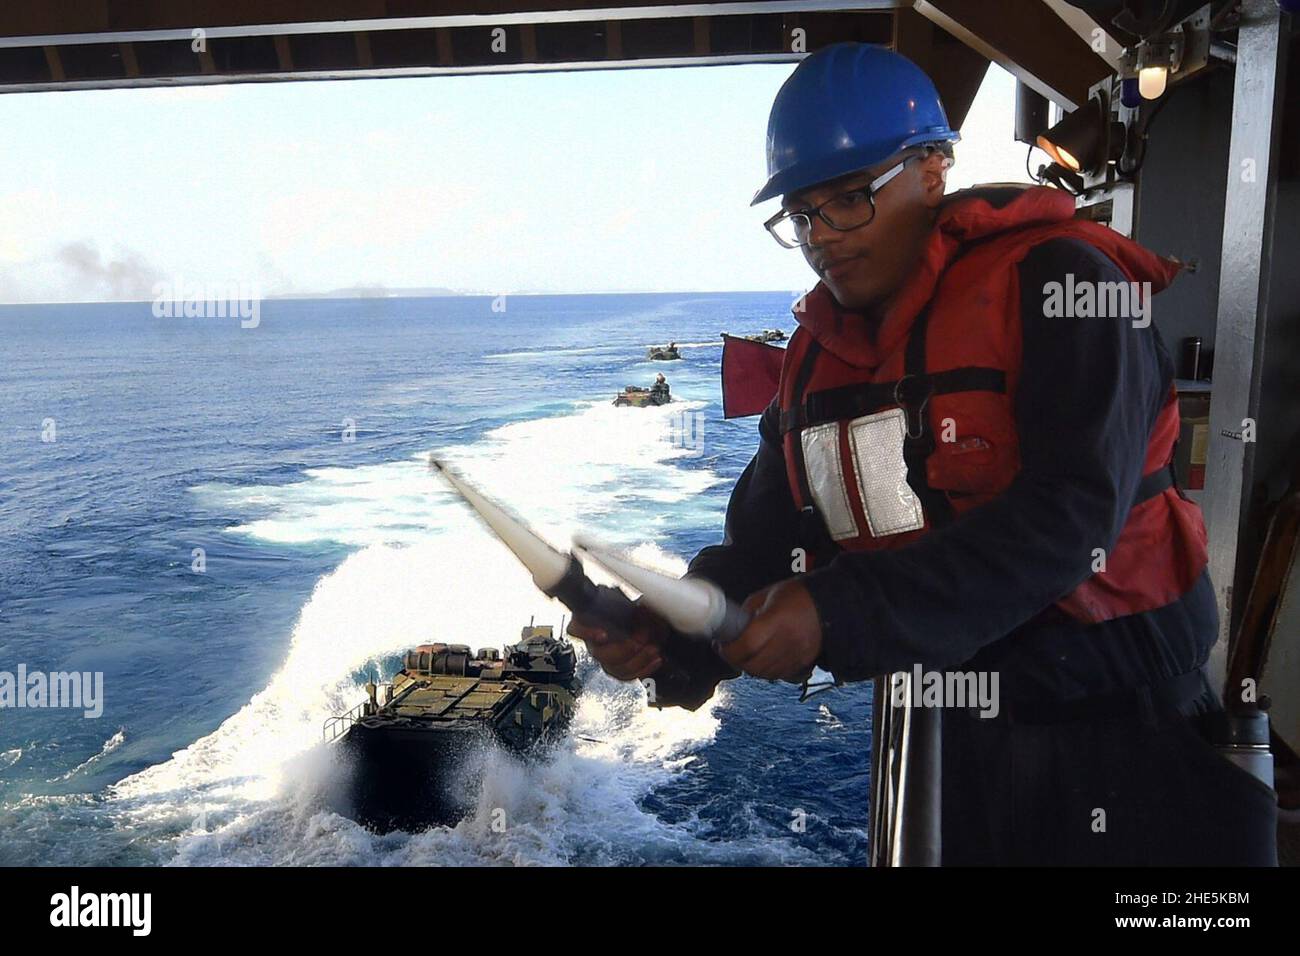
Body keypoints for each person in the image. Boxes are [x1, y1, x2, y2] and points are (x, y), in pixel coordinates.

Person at [568, 42, 1277, 865]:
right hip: (948, 732)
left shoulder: (1064, 291)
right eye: (801, 215)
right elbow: (766, 548)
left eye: (849, 201)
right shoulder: (814, 357)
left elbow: (1070, 520)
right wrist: (674, 632)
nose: (822, 237)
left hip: (1123, 727)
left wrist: (838, 612)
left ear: (933, 170)